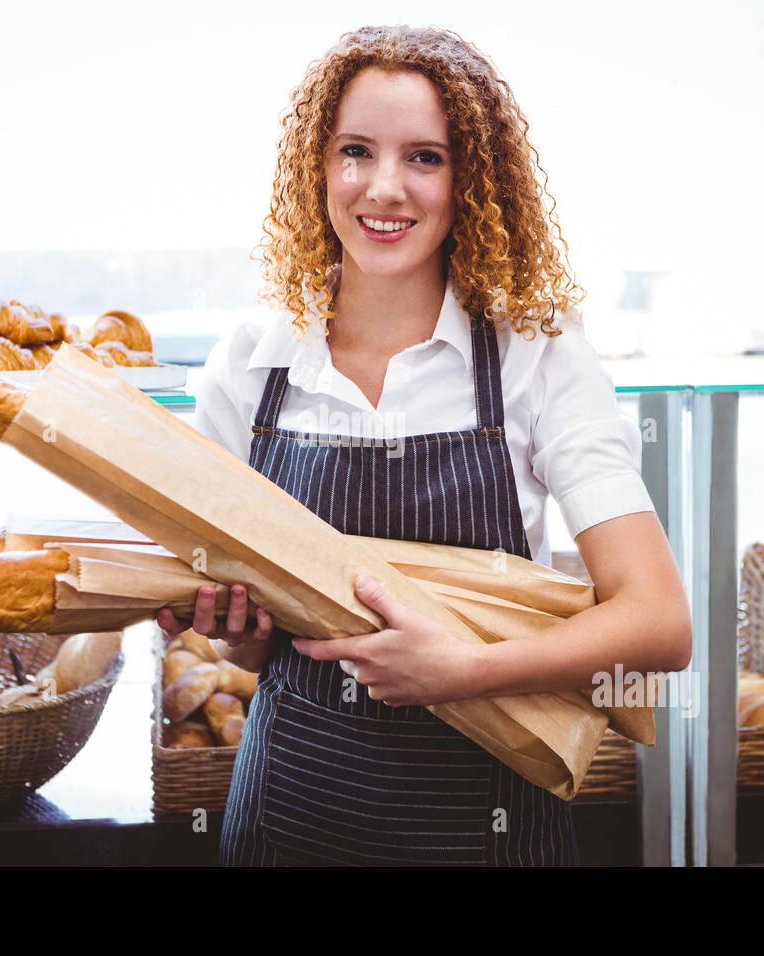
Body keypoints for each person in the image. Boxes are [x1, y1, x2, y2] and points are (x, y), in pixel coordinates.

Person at [156, 24, 691, 866]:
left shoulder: (535, 357)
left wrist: (462, 672)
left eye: (426, 158)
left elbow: (659, 622)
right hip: (290, 817)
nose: (384, 187)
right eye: (356, 151)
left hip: (486, 825)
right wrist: (235, 630)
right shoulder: (252, 366)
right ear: (318, 167)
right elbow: (260, 646)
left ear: (472, 180)